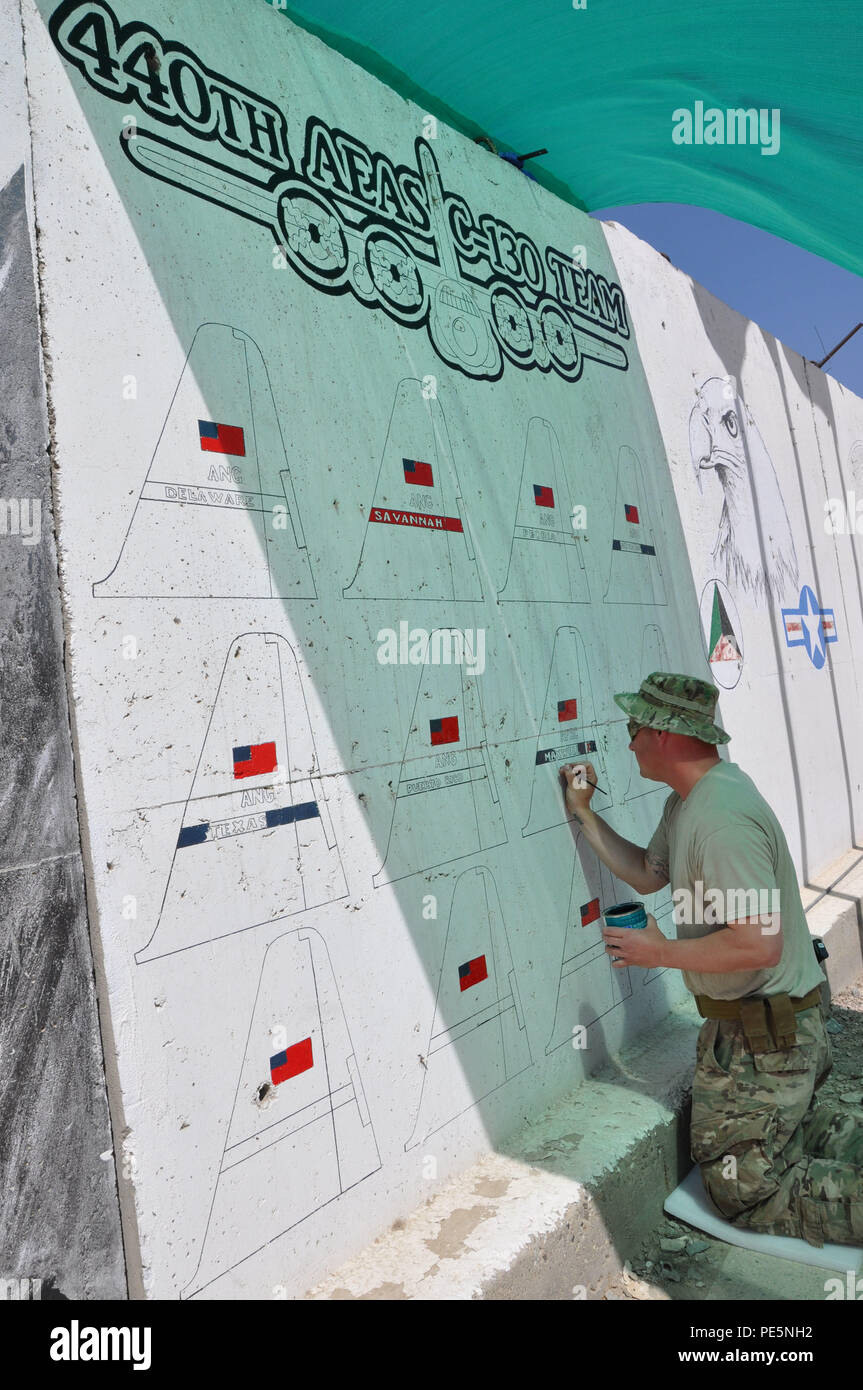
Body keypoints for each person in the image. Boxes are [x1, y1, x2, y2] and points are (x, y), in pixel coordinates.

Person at [560, 671, 863, 1248]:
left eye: (635, 728)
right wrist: (585, 815)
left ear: (667, 734)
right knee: (787, 1140)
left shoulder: (721, 819)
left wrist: (659, 952)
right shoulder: (690, 802)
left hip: (770, 1041)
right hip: (759, 1032)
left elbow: (758, 942)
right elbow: (651, 874)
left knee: (745, 1192)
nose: (628, 742)